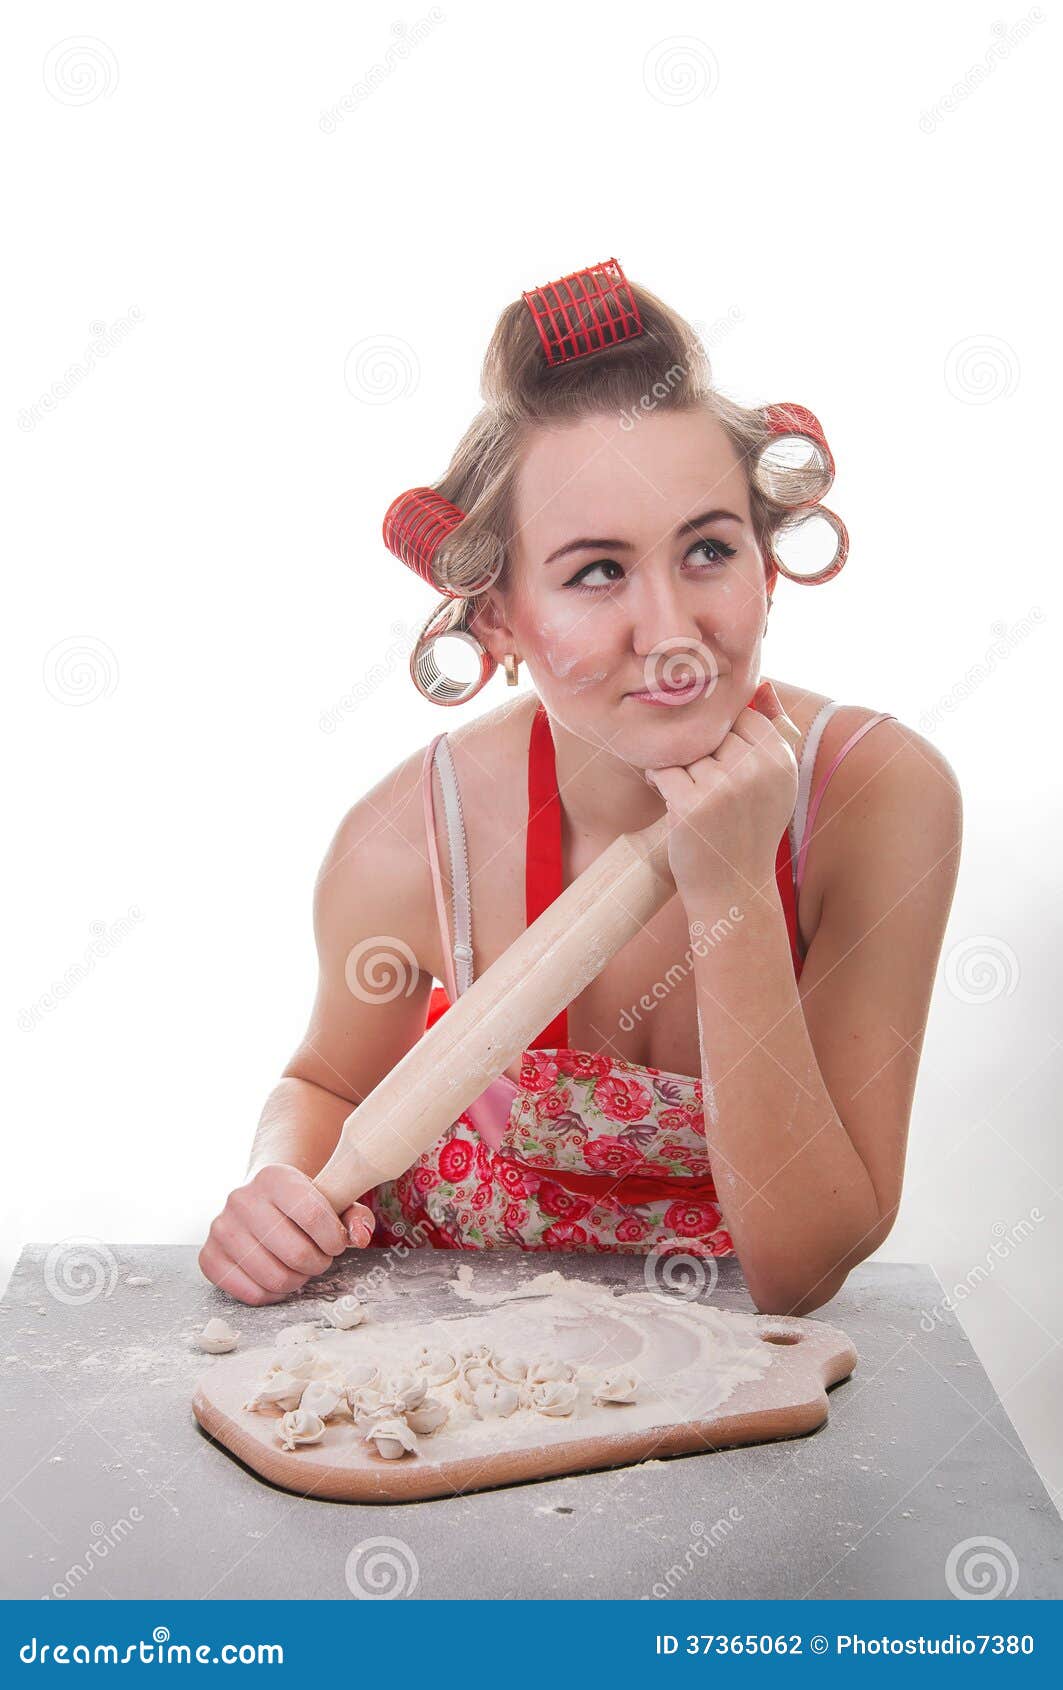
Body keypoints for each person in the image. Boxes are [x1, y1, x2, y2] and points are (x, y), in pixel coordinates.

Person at [199, 262, 961, 1314]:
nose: (671, 633)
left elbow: (802, 1267)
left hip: (734, 1394)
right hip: (450, 1364)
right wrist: (274, 1186)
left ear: (768, 566)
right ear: (500, 619)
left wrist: (734, 885)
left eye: (706, 548)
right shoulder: (406, 843)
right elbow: (327, 1083)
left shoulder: (877, 800)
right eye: (596, 571)